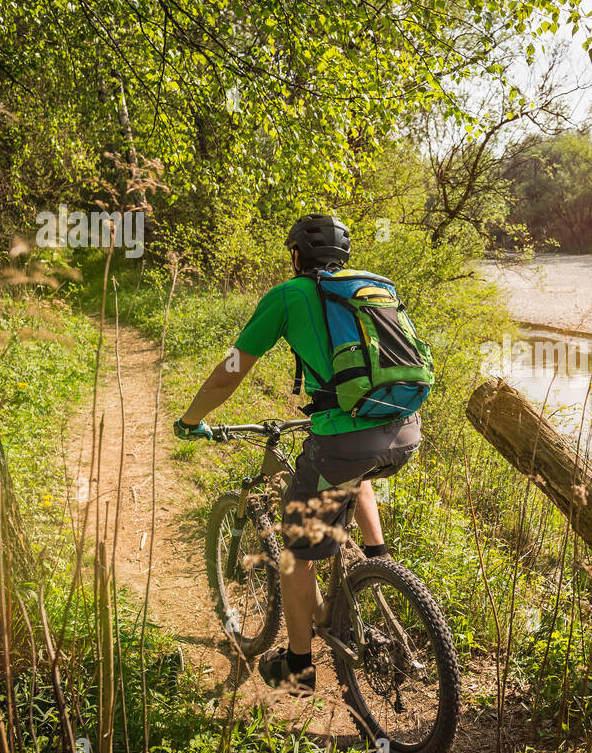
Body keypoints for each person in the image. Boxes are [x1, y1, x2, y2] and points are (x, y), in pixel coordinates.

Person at [173, 213, 421, 690]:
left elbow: (231, 369)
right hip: (405, 428)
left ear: (295, 256)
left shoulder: (289, 296)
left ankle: (299, 667)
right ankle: (378, 563)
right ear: (341, 258)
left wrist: (191, 419)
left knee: (294, 555)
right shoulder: (369, 292)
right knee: (354, 471)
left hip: (344, 442)